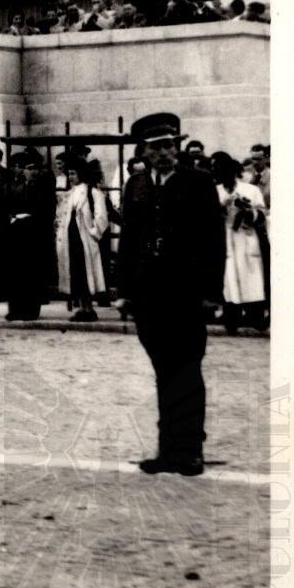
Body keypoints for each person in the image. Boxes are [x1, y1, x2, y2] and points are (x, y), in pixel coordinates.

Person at [119, 112, 225, 476]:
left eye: (169, 145)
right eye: (156, 147)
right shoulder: (136, 186)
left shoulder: (199, 183)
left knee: (188, 369)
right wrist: (124, 291)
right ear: (144, 151)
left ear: (176, 147)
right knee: (163, 370)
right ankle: (168, 451)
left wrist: (212, 293)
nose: (164, 152)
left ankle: (190, 450)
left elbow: (214, 240)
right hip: (150, 297)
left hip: (187, 294)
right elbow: (129, 241)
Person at [212, 152, 268, 333]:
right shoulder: (215, 191)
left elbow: (262, 215)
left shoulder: (251, 190)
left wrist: (248, 212)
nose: (226, 178)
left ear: (235, 172)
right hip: (225, 237)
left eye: (229, 173)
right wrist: (222, 207)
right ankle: (232, 317)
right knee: (229, 279)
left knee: (251, 277)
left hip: (246, 236)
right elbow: (207, 217)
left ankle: (256, 316)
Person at [55, 155, 109, 322]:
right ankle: (81, 307)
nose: (70, 177)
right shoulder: (69, 194)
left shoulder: (92, 192)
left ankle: (89, 308)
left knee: (87, 274)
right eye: (69, 174)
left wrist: (94, 233)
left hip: (84, 240)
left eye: (73, 174)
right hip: (71, 240)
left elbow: (101, 217)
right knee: (76, 274)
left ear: (81, 174)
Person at [4, 149, 56, 320]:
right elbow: (8, 208)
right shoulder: (15, 187)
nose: (33, 171)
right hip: (17, 237)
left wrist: (30, 219)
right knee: (16, 274)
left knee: (33, 274)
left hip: (35, 237)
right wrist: (13, 218)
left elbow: (47, 212)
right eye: (29, 168)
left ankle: (31, 310)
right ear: (23, 170)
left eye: (35, 168)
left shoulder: (44, 188)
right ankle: (15, 309)